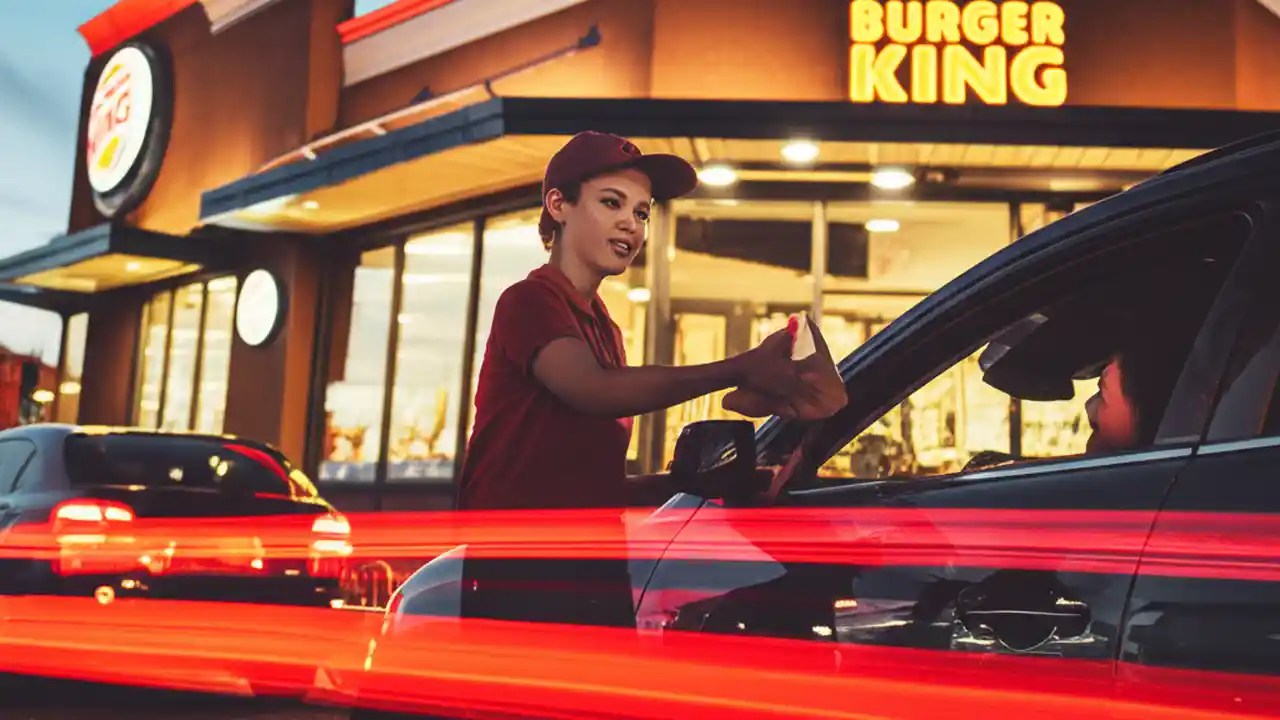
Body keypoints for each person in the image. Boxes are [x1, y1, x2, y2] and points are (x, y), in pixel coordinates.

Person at [457, 131, 840, 512]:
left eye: (642, 212)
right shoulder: (529, 301)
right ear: (558, 205)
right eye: (611, 203)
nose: (631, 224)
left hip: (590, 559)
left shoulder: (604, 329)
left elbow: (595, 487)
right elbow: (594, 391)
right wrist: (740, 368)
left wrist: (698, 483)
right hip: (517, 562)